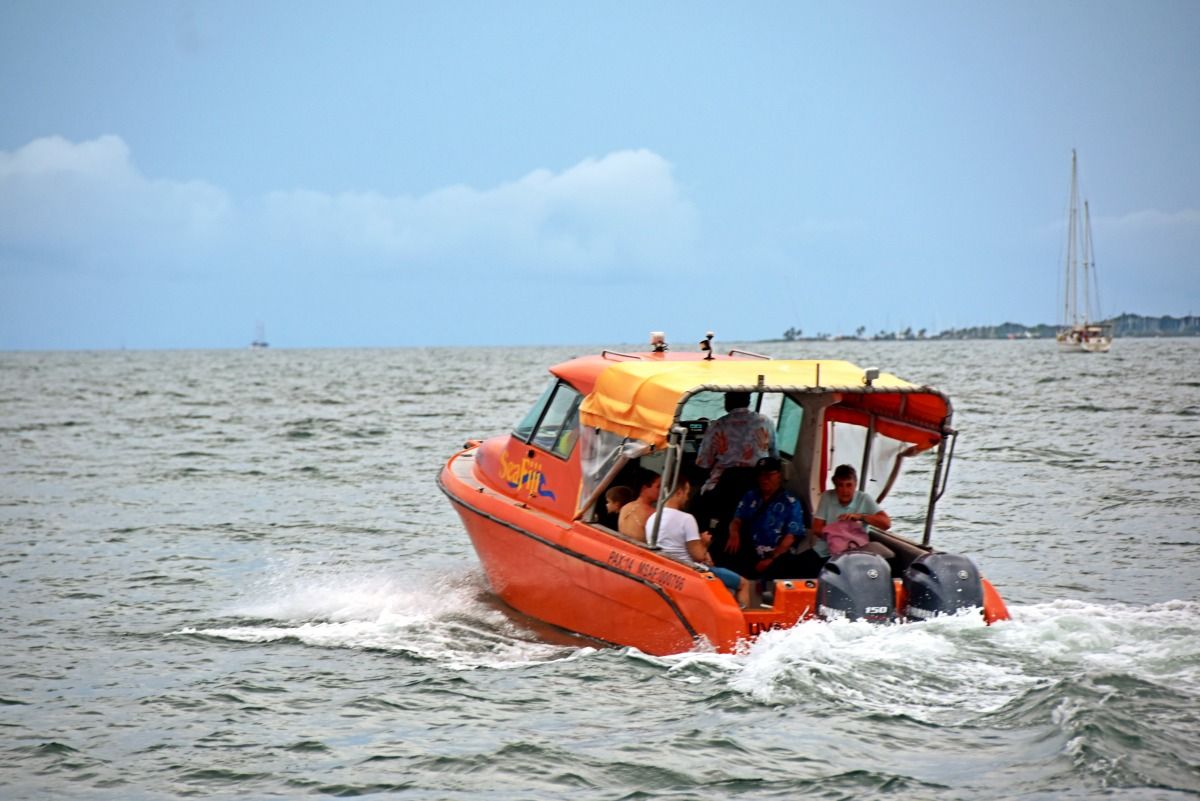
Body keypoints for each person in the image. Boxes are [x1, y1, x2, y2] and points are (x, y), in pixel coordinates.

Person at [694, 392, 778, 568]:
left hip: (724, 486)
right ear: (748, 401)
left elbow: (703, 463)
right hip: (756, 486)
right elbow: (774, 457)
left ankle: (704, 550)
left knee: (697, 500)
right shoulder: (766, 423)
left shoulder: (717, 426)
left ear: (727, 402)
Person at [645, 476, 750, 608]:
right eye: (687, 493)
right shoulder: (686, 519)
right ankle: (739, 624)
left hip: (666, 571)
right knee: (744, 583)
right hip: (690, 571)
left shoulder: (652, 518)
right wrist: (705, 542)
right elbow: (698, 555)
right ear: (678, 492)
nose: (687, 498)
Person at [796, 464, 893, 576]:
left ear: (855, 484)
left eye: (849, 485)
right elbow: (817, 528)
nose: (845, 490)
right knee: (792, 569)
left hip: (853, 554)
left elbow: (886, 523)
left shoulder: (864, 498)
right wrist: (837, 535)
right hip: (823, 552)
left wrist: (861, 517)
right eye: (840, 485)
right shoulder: (827, 496)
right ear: (835, 485)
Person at [728, 457, 811, 580]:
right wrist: (734, 534)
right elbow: (737, 520)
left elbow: (790, 537)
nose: (764, 479)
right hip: (749, 551)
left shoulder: (791, 502)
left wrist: (772, 558)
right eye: (761, 475)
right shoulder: (751, 496)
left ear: (779, 476)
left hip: (776, 556)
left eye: (768, 475)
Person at [618, 469, 661, 543]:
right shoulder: (652, 514)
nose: (661, 490)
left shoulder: (625, 507)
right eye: (658, 487)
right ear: (644, 488)